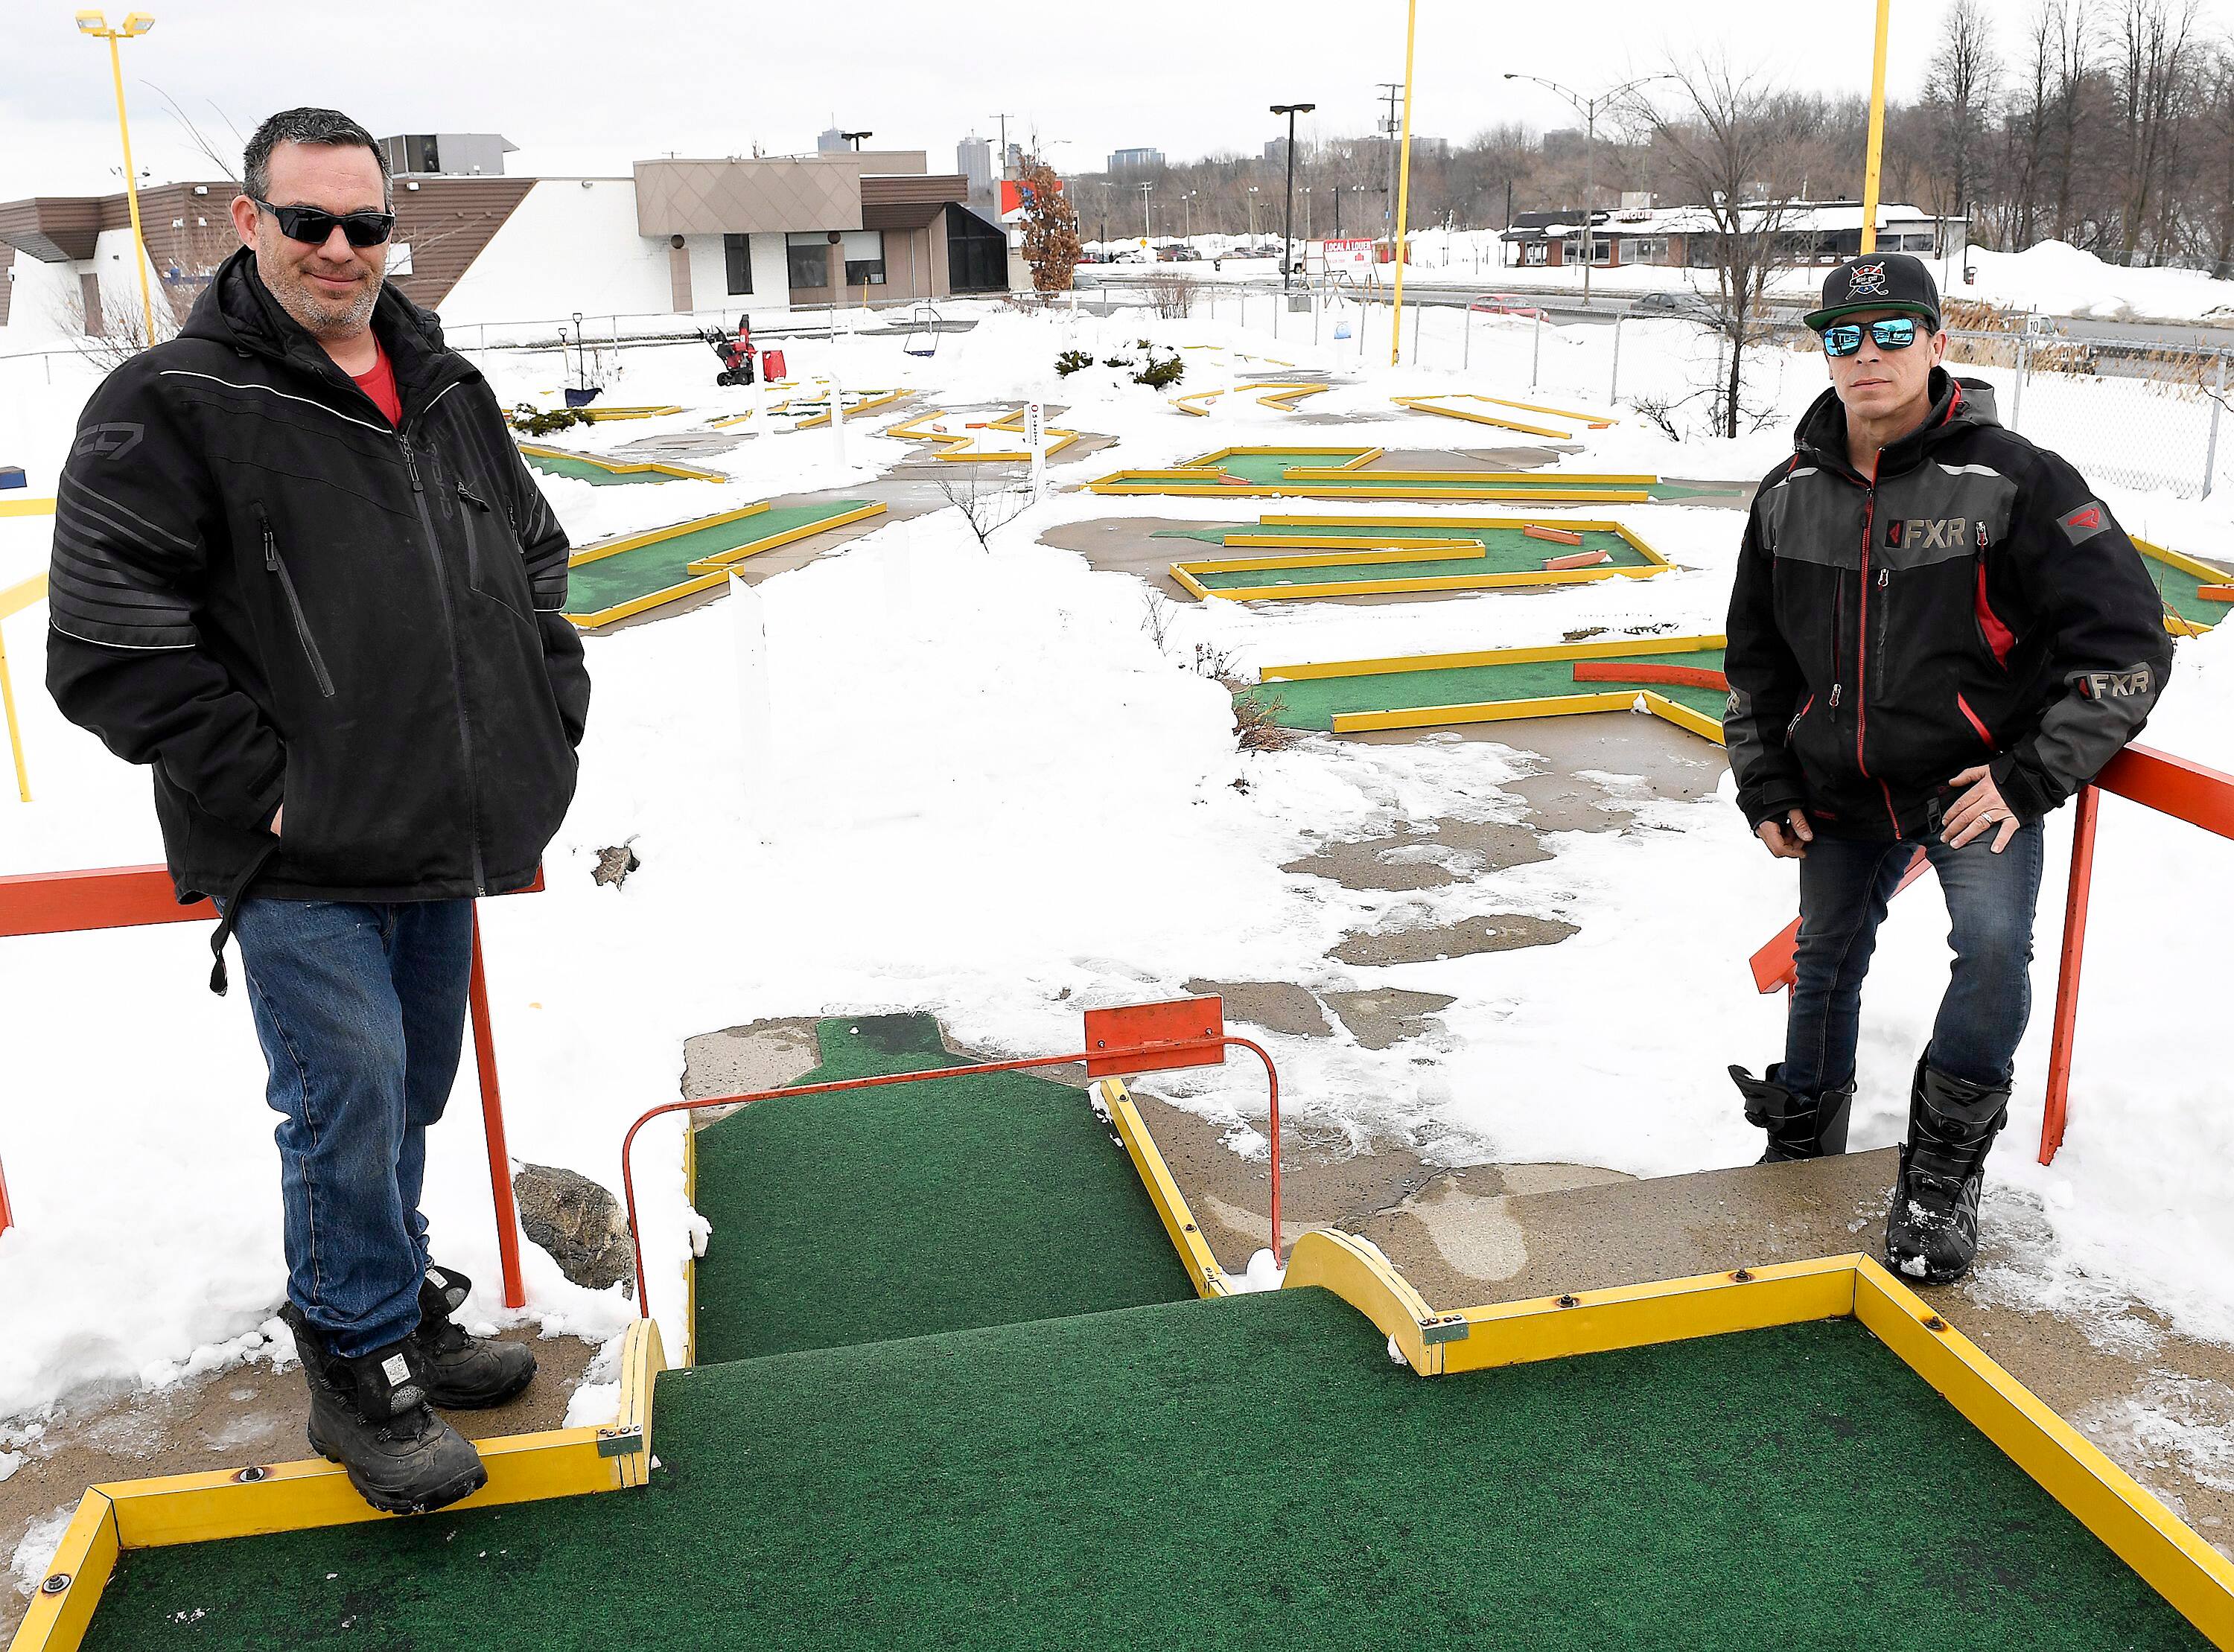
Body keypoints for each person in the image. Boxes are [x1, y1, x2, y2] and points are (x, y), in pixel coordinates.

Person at [46, 108, 589, 1512]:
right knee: (343, 1096)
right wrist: (279, 794)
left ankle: (397, 1307)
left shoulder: (446, 385)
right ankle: (354, 1365)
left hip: (439, 831)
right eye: (309, 223)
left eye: (365, 225)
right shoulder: (171, 403)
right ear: (249, 222)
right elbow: (108, 644)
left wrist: (545, 715)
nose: (341, 250)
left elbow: (534, 558)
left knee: (407, 1091)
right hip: (299, 856)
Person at [1722, 252, 2171, 1285]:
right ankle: (1802, 1142)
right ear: (1824, 353)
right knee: (1826, 958)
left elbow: (2130, 647)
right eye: (1844, 337)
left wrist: (2029, 776)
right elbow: (1754, 663)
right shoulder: (1788, 492)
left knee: (1992, 948)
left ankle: (1940, 1174)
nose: (1867, 355)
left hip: (1974, 787)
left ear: (1935, 340)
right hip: (1839, 789)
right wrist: (1768, 779)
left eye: (1891, 332)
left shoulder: (2017, 479)